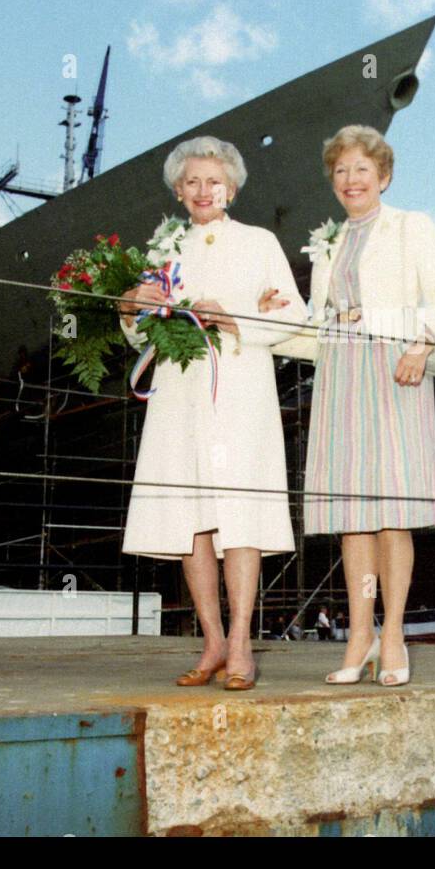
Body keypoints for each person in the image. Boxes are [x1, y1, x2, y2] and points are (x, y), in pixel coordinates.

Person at [273, 125, 435, 687]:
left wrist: (423, 343)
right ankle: (359, 634)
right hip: (339, 374)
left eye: (361, 169)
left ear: (382, 175)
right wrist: (271, 316)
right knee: (351, 519)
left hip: (393, 368)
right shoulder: (329, 242)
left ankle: (395, 633)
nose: (350, 179)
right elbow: (316, 323)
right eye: (340, 171)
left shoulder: (412, 226)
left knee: (392, 512)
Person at [117, 136, 304, 691]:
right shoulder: (163, 249)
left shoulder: (260, 242)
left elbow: (294, 312)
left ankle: (243, 644)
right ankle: (212, 640)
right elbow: (140, 338)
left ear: (232, 188)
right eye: (192, 181)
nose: (203, 191)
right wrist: (132, 308)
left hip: (241, 390)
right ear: (178, 190)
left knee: (239, 516)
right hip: (178, 394)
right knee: (190, 517)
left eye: (213, 181)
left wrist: (233, 315)